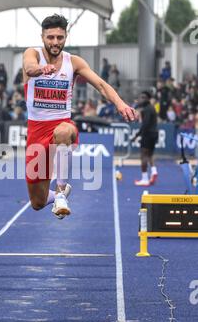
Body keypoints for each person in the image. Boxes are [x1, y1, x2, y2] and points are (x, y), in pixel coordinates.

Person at [23, 14, 138, 219]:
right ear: (42, 37)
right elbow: (29, 67)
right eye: (51, 37)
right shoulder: (33, 54)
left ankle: (60, 193)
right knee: (37, 202)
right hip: (36, 132)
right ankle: (58, 195)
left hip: (62, 126)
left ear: (66, 36)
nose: (55, 42)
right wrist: (42, 69)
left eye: (60, 37)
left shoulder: (73, 61)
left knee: (64, 130)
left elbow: (101, 84)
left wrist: (120, 103)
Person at [132, 91, 158, 186]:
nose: (140, 99)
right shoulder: (151, 108)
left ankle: (144, 178)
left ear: (147, 99)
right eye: (140, 97)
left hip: (148, 135)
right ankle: (154, 171)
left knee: (143, 156)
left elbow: (145, 125)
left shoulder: (147, 109)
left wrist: (136, 135)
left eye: (143, 97)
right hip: (154, 134)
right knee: (150, 155)